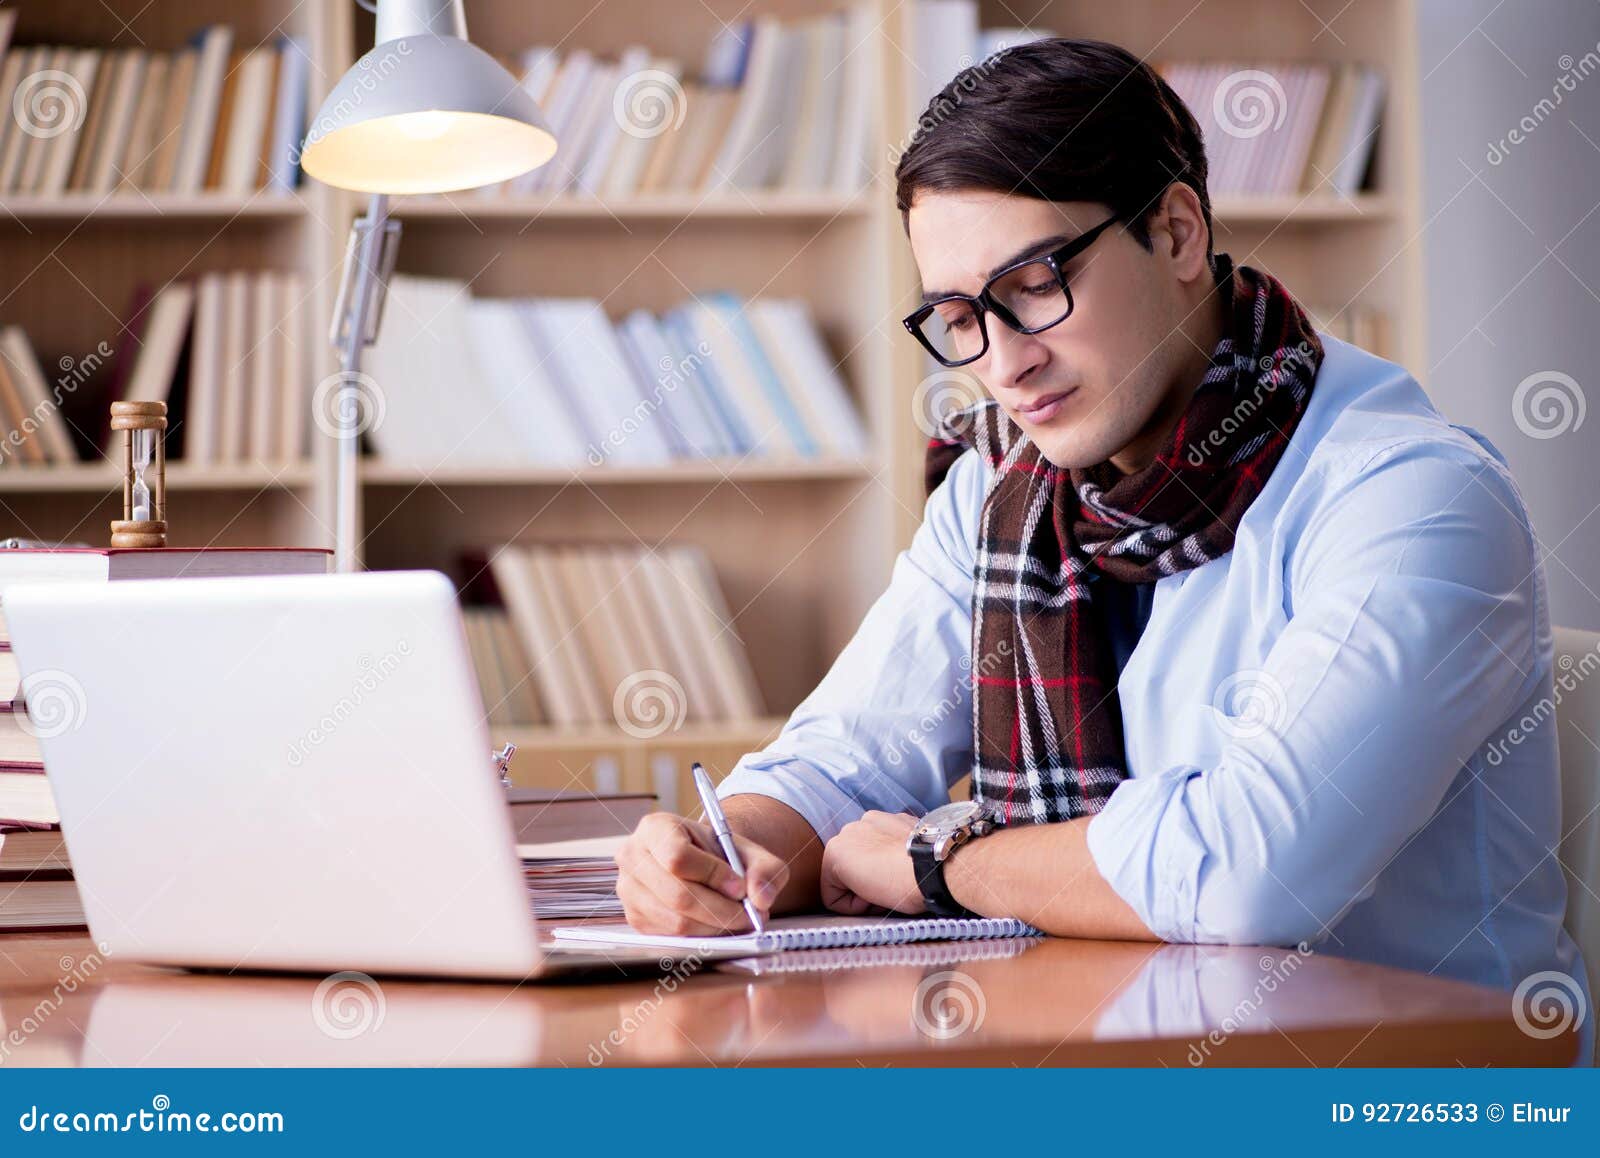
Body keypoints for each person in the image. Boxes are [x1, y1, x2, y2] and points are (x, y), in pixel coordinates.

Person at [614, 38, 1586, 1025]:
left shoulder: (1413, 496)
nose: (1000, 363)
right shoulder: (1004, 491)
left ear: (1173, 232)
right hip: (1114, 1050)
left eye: (1034, 285)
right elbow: (842, 757)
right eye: (959, 316)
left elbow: (1246, 874)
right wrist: (726, 849)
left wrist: (942, 861)